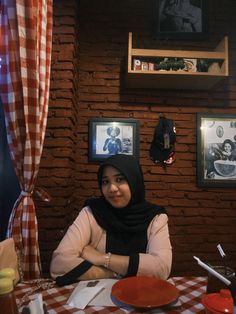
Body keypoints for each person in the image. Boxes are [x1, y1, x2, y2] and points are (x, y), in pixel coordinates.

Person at [50, 154, 172, 283]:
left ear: (134, 180)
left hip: (143, 298)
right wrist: (114, 273)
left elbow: (161, 268)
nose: (112, 188)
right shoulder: (92, 212)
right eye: (105, 182)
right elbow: (59, 264)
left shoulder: (156, 217)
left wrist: (103, 259)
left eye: (119, 179)